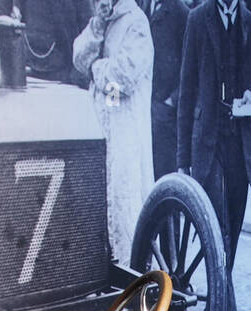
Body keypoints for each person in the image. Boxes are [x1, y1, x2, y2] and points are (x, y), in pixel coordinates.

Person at [177, 0, 251, 311]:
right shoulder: (197, 19)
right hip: (208, 147)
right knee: (222, 237)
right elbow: (186, 89)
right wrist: (182, 159)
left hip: (240, 150)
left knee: (226, 246)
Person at [73, 0, 154, 265]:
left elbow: (122, 79)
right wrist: (97, 25)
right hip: (100, 126)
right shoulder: (101, 21)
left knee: (125, 204)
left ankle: (131, 272)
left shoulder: (136, 22)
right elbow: (78, 56)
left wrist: (96, 68)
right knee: (99, 203)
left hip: (126, 131)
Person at [142, 0, 187, 179]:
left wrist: (172, 101)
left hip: (165, 115)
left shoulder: (181, 12)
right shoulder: (141, 7)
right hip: (143, 108)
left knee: (164, 179)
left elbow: (190, 65)